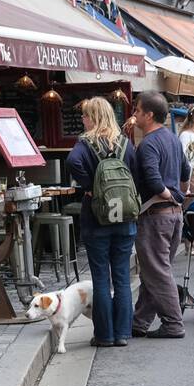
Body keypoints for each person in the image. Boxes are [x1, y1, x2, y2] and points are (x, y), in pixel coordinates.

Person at [68, 96, 137, 347]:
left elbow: (72, 162)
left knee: (100, 278)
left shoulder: (85, 144)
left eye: (85, 116)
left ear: (93, 118)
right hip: (124, 220)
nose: (83, 120)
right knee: (121, 278)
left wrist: (90, 187)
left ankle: (104, 335)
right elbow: (136, 173)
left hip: (97, 220)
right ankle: (122, 334)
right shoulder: (125, 144)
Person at [129, 91, 189, 339]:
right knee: (154, 271)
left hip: (157, 215)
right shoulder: (172, 139)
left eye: (137, 110)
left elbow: (154, 181)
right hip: (174, 216)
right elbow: (185, 172)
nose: (134, 114)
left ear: (149, 115)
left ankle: (173, 323)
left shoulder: (149, 144)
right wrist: (179, 197)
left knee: (157, 271)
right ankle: (139, 322)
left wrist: (167, 195)